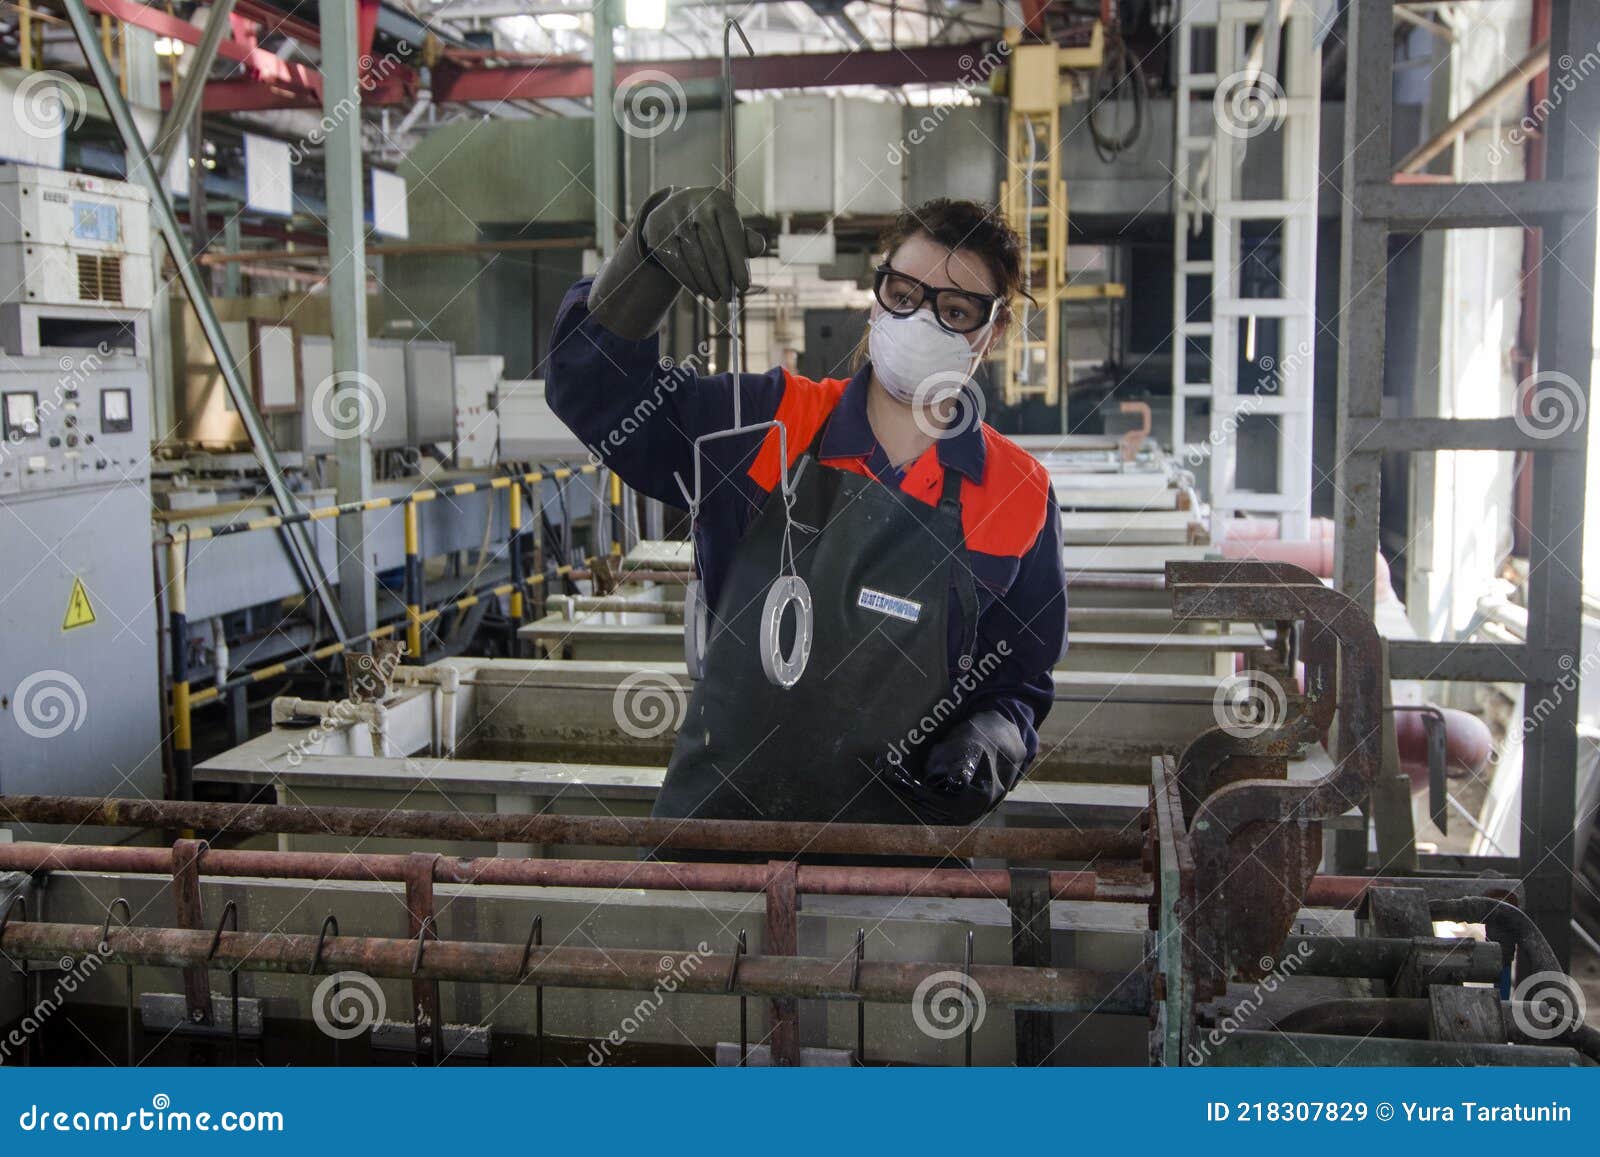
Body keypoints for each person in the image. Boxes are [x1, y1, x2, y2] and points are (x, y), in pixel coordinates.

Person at [545, 186, 1068, 830]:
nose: (922, 321)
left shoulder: (1019, 494)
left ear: (992, 332)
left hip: (897, 866)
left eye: (955, 310)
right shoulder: (764, 422)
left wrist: (991, 744)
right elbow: (594, 393)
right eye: (904, 297)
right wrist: (646, 258)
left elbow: (1016, 682)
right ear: (877, 299)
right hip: (723, 845)